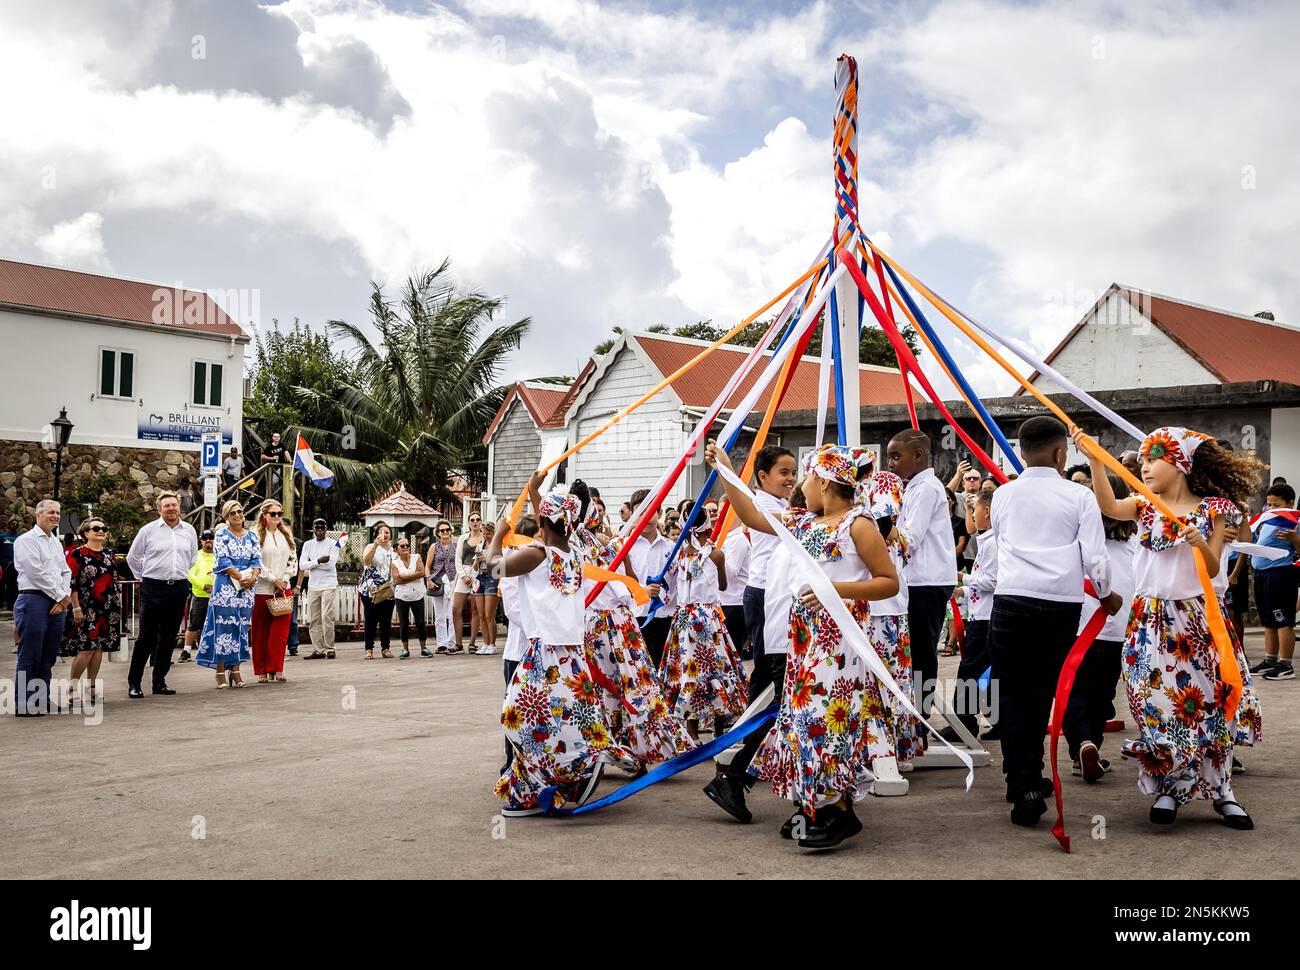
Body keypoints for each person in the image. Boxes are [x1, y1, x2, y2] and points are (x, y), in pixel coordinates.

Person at [705, 441, 898, 849]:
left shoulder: (858, 524)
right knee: (807, 725)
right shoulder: (804, 523)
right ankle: (821, 809)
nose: (801, 485)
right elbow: (753, 515)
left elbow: (887, 581)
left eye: (808, 477)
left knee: (830, 723)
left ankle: (838, 811)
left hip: (840, 647)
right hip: (805, 643)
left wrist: (835, 588)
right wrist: (725, 470)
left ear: (825, 482)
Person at [1080, 425, 1263, 829]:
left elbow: (1213, 568)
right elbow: (1109, 506)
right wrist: (1095, 460)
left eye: (1152, 459)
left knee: (1213, 705)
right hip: (1150, 620)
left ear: (1179, 464)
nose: (1143, 468)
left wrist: (1200, 541)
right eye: (1141, 461)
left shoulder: (1215, 509)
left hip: (1199, 619)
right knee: (1158, 706)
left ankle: (1222, 792)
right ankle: (1169, 788)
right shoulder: (1144, 504)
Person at [988, 418, 1120, 826]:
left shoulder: (1002, 496)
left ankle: (1023, 781)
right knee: (1045, 691)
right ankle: (1030, 776)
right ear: (1062, 453)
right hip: (1058, 607)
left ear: (1022, 450)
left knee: (1012, 694)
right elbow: (1095, 558)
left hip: (1009, 601)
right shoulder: (1077, 496)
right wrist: (1106, 595)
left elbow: (997, 543)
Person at [488, 489, 629, 816]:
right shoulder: (574, 554)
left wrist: (497, 535)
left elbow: (492, 567)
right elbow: (554, 523)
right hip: (571, 654)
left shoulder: (538, 554)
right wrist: (538, 493)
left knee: (519, 717)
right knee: (551, 718)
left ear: (542, 521)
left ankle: (572, 770)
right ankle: (549, 781)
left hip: (546, 653)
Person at [1061, 474, 1136, 782]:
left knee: (1073, 690)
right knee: (1102, 694)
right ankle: (1091, 744)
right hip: (1118, 630)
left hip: (1080, 628)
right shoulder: (1138, 544)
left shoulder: (1078, 543)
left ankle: (1082, 743)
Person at [887, 429, 957, 739]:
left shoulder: (927, 488)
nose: (891, 464)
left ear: (919, 455)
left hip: (926, 581)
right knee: (912, 652)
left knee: (922, 653)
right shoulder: (913, 487)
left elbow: (909, 538)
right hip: (914, 579)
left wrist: (877, 529)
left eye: (896, 456)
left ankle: (920, 721)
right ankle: (912, 717)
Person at [659, 514, 746, 742]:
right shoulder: (716, 554)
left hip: (684, 619)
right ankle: (718, 729)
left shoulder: (679, 554)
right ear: (708, 528)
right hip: (707, 619)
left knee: (690, 671)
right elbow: (724, 585)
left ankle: (692, 732)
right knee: (713, 669)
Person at [865, 470, 918, 767]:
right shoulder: (871, 530)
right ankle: (883, 750)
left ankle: (888, 750)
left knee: (888, 684)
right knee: (883, 683)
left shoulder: (894, 533)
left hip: (889, 615)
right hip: (880, 613)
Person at [126, 491, 199, 698]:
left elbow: (192, 558)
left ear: (179, 507)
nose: (171, 509)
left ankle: (159, 681)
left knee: (168, 637)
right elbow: (133, 558)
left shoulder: (189, 531)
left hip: (178, 587)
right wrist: (145, 578)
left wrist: (177, 574)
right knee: (146, 638)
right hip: (153, 587)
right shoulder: (148, 531)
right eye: (166, 506)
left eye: (174, 505)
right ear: (159, 509)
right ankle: (134, 683)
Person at [12, 501, 72, 715]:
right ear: (38, 515)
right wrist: (60, 596)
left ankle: (41, 699)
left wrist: (63, 597)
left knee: (48, 653)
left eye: (58, 512)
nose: (55, 516)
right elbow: (36, 572)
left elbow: (65, 571)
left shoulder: (55, 542)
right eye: (51, 512)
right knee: (30, 653)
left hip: (56, 601)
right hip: (34, 599)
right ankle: (22, 702)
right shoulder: (26, 541)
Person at [196, 500, 260, 688]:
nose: (238, 515)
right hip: (226, 587)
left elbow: (257, 560)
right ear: (226, 517)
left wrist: (253, 578)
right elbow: (223, 560)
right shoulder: (222, 534)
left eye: (240, 511)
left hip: (247, 588)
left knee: (241, 628)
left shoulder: (252, 536)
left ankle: (236, 671)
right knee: (223, 628)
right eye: (233, 513)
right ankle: (220, 672)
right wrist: (240, 577)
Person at [949, 483, 995, 741]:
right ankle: (992, 719)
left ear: (987, 511)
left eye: (974, 508)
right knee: (983, 671)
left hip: (987, 617)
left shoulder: (993, 544)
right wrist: (963, 591)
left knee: (970, 670)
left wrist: (963, 579)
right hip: (981, 613)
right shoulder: (985, 541)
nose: (972, 514)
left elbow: (994, 581)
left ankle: (963, 724)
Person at [64, 517, 122, 708]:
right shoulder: (76, 554)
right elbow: (71, 583)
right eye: (96, 528)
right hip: (86, 607)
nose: (100, 531)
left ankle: (92, 685)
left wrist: (118, 600)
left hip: (108, 607)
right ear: (85, 532)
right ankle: (72, 687)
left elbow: (114, 580)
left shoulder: (109, 554)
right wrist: (76, 607)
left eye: (103, 528)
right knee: (86, 648)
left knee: (98, 648)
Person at [499, 514, 539, 775]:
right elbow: (513, 609)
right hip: (520, 650)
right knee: (516, 712)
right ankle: (512, 763)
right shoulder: (512, 566)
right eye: (536, 538)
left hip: (543, 650)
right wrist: (542, 625)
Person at [1248, 482, 1300, 680]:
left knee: (1283, 621)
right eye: (1268, 505)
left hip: (1281, 574)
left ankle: (1285, 665)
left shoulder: (1295, 522)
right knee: (1269, 622)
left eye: (1275, 505)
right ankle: (1270, 660)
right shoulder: (1267, 520)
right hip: (1262, 574)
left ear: (1290, 503)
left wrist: (1295, 539)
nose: (1271, 509)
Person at [625, 487, 675, 667]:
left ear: (660, 512)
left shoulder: (671, 547)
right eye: (640, 512)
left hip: (665, 618)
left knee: (663, 667)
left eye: (650, 510)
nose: (645, 517)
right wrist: (641, 591)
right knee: (639, 669)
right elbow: (618, 582)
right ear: (632, 514)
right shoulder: (624, 547)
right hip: (635, 617)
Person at [249, 501, 296, 683]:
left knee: (280, 631)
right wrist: (271, 578)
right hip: (262, 587)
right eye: (273, 514)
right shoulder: (255, 535)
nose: (277, 517)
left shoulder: (286, 534)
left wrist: (283, 579)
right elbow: (255, 560)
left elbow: (293, 559)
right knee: (261, 631)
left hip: (283, 589)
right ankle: (261, 670)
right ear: (265, 515)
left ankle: (276, 668)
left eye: (279, 513)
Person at [298, 519, 340, 660]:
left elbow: (330, 565)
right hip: (313, 585)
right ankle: (318, 650)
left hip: (328, 584)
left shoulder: (333, 544)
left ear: (326, 528)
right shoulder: (308, 545)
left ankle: (330, 648)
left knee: (326, 616)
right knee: (314, 619)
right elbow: (302, 565)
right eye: (317, 527)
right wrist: (318, 561)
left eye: (322, 527)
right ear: (313, 529)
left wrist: (313, 564)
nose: (320, 529)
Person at [359, 523, 396, 660]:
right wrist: (375, 545)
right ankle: (368, 649)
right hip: (371, 590)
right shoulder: (370, 546)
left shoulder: (394, 550)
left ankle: (385, 648)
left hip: (388, 589)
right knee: (370, 620)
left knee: (386, 621)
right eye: (381, 532)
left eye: (387, 532)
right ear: (376, 535)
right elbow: (366, 562)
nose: (384, 535)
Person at [179, 529, 216, 663]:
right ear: (201, 541)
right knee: (194, 624)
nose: (208, 541)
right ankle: (187, 650)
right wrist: (203, 586)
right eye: (205, 539)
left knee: (215, 624)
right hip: (199, 595)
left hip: (217, 594)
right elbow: (189, 573)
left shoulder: (219, 555)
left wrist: (215, 587)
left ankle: (211, 650)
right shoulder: (195, 555)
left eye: (210, 538)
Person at [451, 513, 485, 654]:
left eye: (477, 519)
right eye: (472, 520)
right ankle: (458, 643)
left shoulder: (485, 538)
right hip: (463, 572)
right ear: (468, 523)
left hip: (478, 573)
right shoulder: (463, 539)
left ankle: (472, 642)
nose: (475, 522)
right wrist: (464, 576)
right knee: (456, 608)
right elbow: (457, 558)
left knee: (475, 609)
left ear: (481, 522)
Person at [391, 535, 430, 659]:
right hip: (401, 596)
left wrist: (405, 577)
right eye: (402, 546)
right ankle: (405, 649)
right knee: (403, 623)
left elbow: (422, 573)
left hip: (417, 595)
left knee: (420, 622)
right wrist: (415, 576)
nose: (405, 547)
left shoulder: (416, 557)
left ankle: (424, 648)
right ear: (396, 549)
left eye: (407, 545)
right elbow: (397, 580)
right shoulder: (394, 563)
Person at [426, 519, 458, 653]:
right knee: (439, 615)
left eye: (447, 530)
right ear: (438, 533)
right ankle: (442, 643)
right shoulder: (434, 546)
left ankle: (452, 643)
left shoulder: (456, 545)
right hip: (438, 582)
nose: (444, 532)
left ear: (451, 531)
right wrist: (428, 580)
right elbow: (427, 566)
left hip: (452, 581)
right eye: (441, 530)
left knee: (452, 613)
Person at [719, 524, 750, 658]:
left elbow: (730, 574)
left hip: (734, 603)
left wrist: (717, 556)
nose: (718, 515)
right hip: (721, 602)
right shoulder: (721, 538)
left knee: (733, 654)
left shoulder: (738, 539)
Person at [472, 522, 499, 655]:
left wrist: (486, 559)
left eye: (488, 533)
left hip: (492, 578)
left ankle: (492, 644)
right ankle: (486, 642)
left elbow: (500, 569)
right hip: (480, 578)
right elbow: (475, 568)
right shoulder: (480, 545)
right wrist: (477, 560)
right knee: (481, 614)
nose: (485, 535)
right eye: (483, 533)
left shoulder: (498, 546)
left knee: (489, 615)